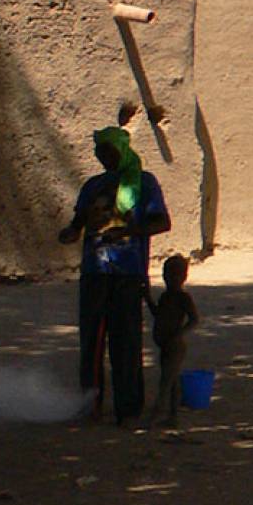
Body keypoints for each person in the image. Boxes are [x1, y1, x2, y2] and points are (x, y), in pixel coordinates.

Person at [56, 124, 171, 423]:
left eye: (108, 151)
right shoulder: (93, 186)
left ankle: (128, 408)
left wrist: (130, 230)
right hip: (95, 271)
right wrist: (70, 232)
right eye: (99, 152)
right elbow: (79, 222)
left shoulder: (144, 184)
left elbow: (161, 223)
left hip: (127, 272)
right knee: (91, 341)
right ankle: (90, 405)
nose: (102, 157)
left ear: (122, 151)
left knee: (126, 340)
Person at [149, 254, 198, 427]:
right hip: (165, 343)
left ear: (184, 277)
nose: (170, 279)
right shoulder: (165, 296)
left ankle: (157, 415)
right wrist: (147, 298)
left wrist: (179, 333)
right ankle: (173, 416)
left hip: (175, 345)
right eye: (167, 275)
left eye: (175, 275)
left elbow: (194, 320)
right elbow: (158, 315)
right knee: (173, 380)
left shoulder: (183, 297)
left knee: (166, 382)